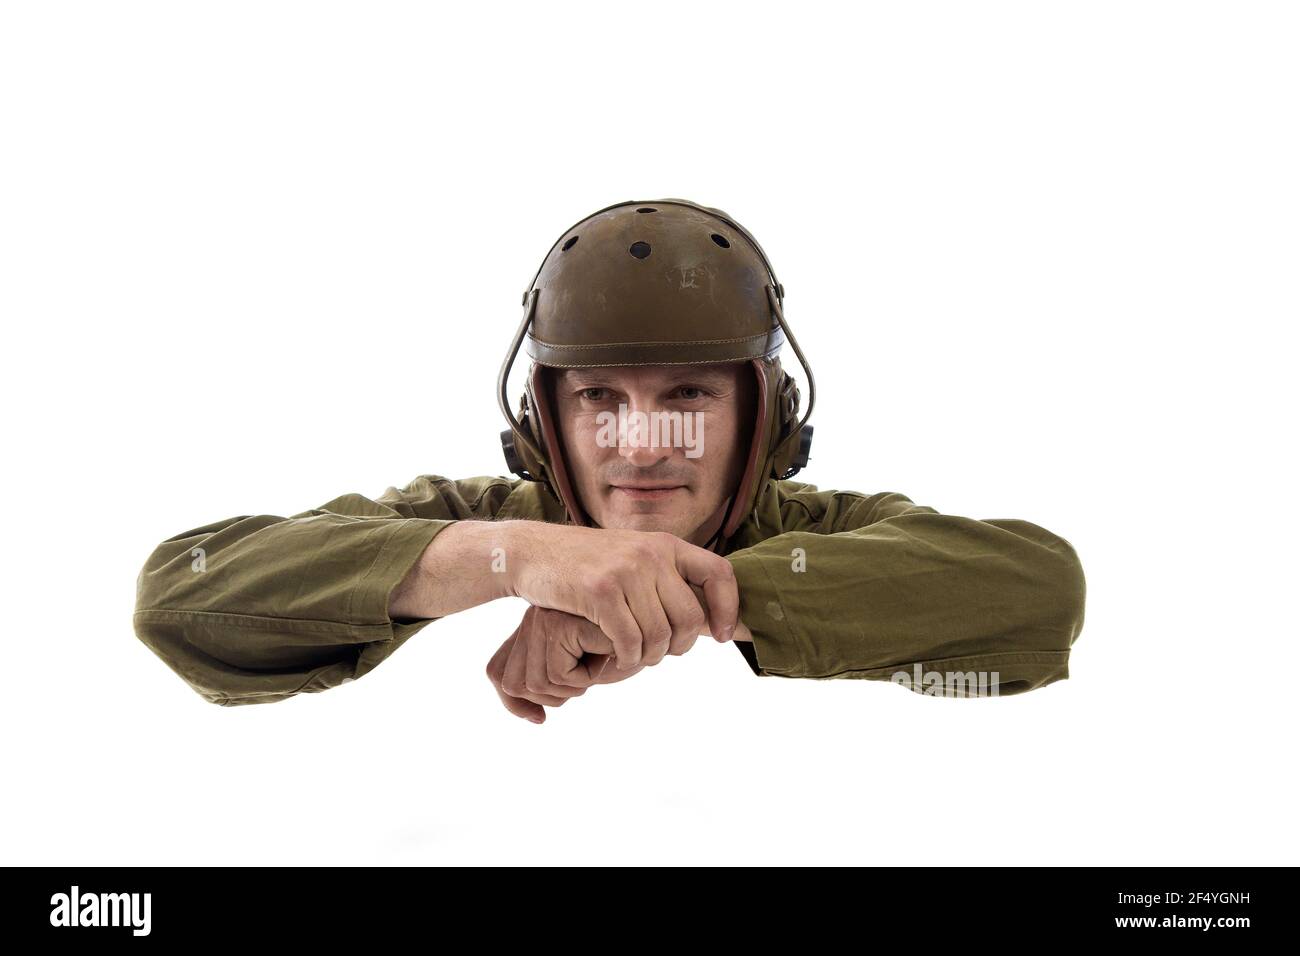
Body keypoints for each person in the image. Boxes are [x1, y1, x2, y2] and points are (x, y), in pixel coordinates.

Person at [133, 198, 1087, 720]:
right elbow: (181, 592)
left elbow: (1039, 585)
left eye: (689, 396)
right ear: (543, 417)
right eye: (598, 398)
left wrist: (643, 596)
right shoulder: (479, 513)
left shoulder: (819, 536)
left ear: (765, 414)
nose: (639, 443)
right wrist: (516, 559)